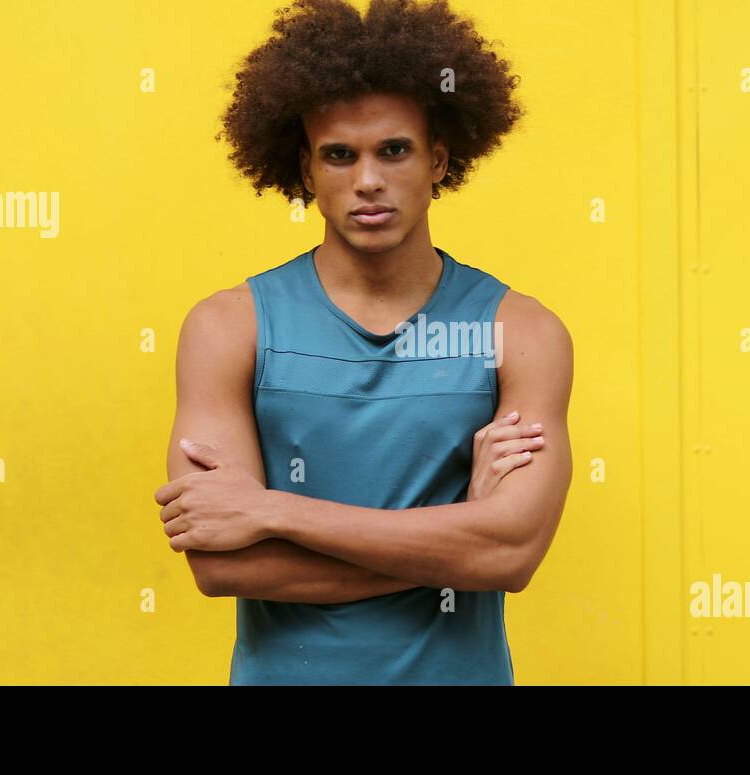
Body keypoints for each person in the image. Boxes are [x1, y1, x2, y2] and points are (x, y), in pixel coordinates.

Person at [153, 0, 573, 685]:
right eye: (340, 155)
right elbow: (223, 564)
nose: (368, 180)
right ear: (307, 170)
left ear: (438, 157)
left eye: (395, 150)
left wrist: (271, 509)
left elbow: (511, 555)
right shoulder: (229, 327)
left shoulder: (519, 332)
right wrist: (460, 531)